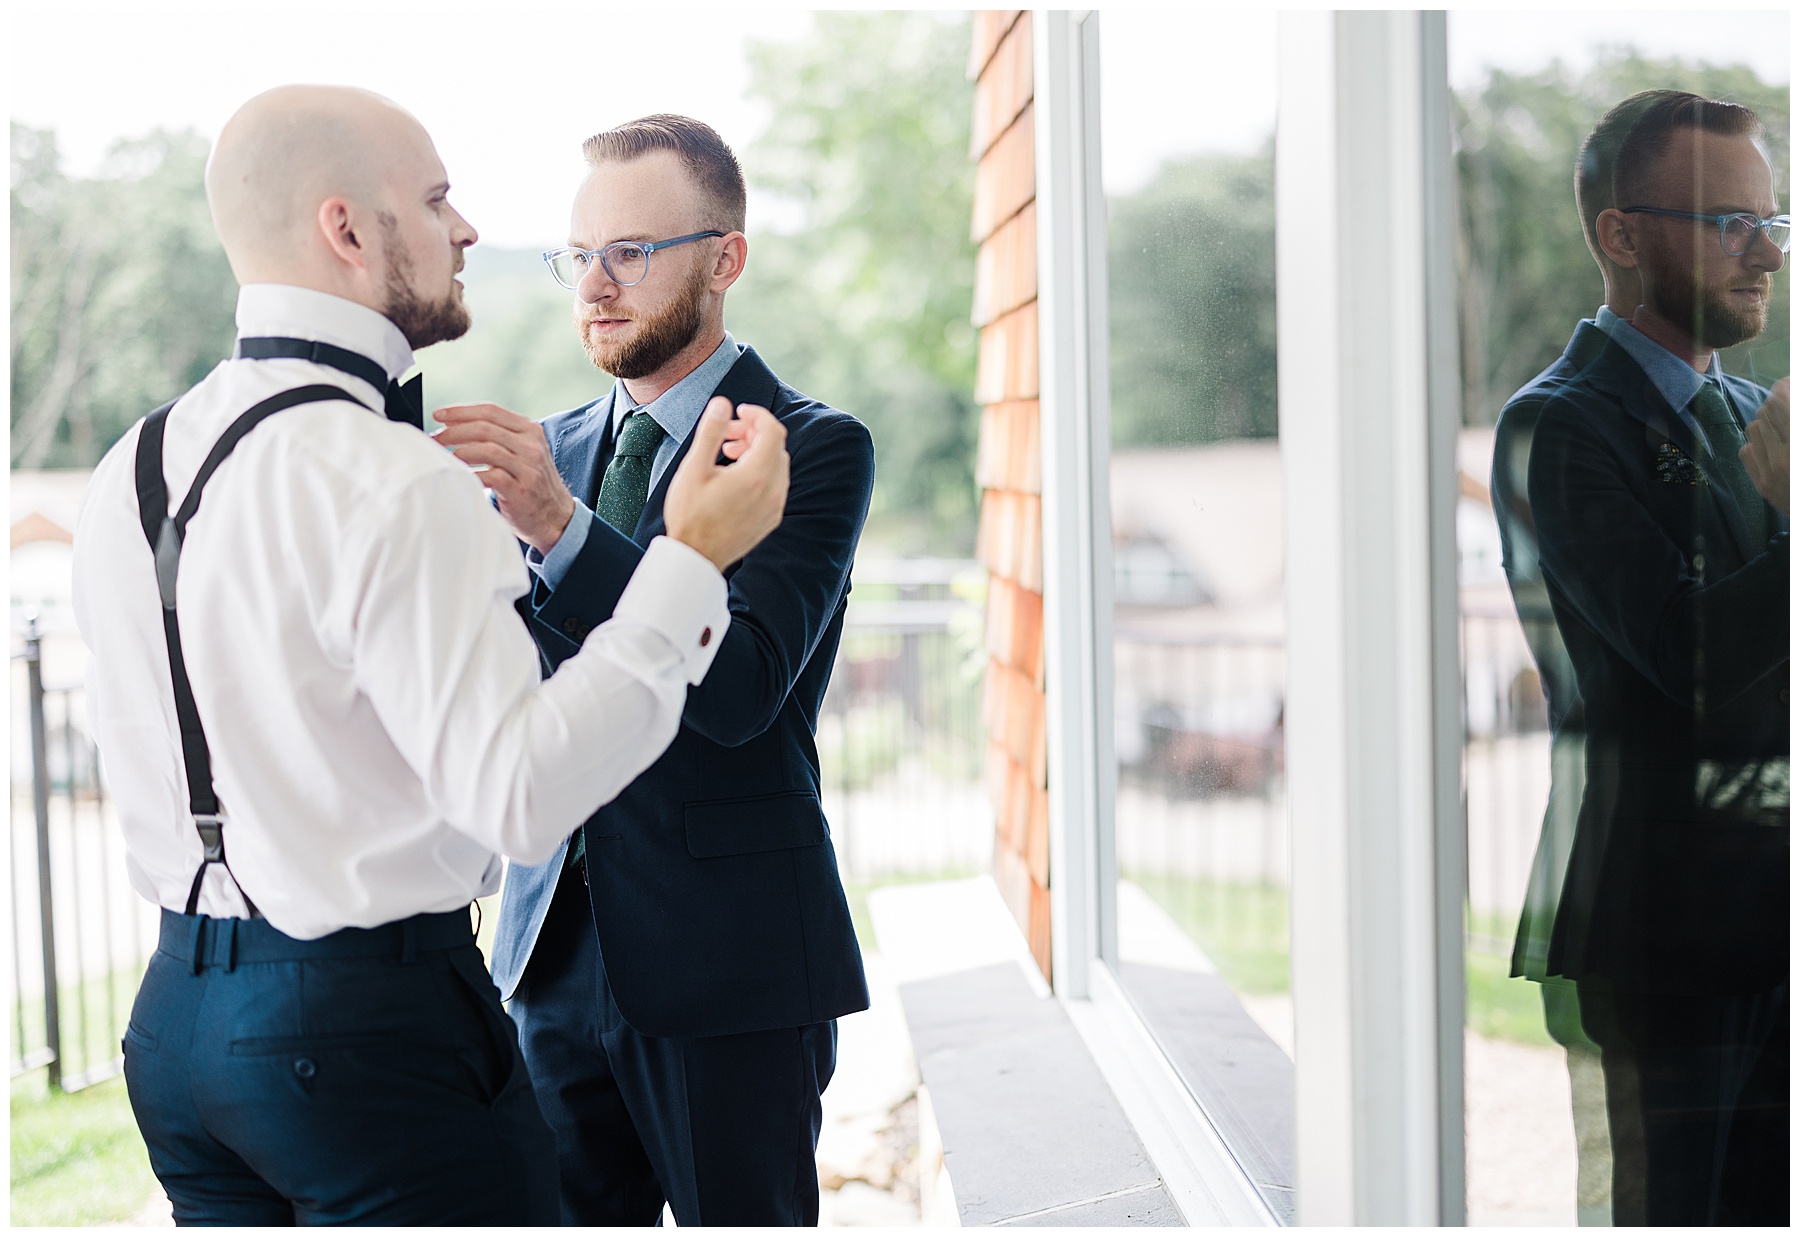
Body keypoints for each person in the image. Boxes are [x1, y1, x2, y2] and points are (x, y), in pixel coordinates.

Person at [70, 86, 791, 1226]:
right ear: (349, 230)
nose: (466, 230)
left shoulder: (133, 464)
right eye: (438, 199)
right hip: (369, 1029)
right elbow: (518, 796)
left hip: (175, 1032)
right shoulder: (391, 475)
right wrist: (690, 563)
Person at [433, 115, 873, 1226]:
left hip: (729, 964)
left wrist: (563, 530)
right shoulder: (550, 449)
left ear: (725, 260)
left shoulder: (809, 447)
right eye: (581, 254)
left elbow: (738, 690)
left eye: (630, 252)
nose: (595, 285)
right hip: (547, 956)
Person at [1490, 91, 1789, 1225]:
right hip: (1659, 925)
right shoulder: (1557, 423)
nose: (1768, 252)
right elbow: (1687, 655)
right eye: (1730, 223)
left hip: (1777, 909)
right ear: (1621, 235)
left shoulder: (1758, 413)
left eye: (1772, 221)